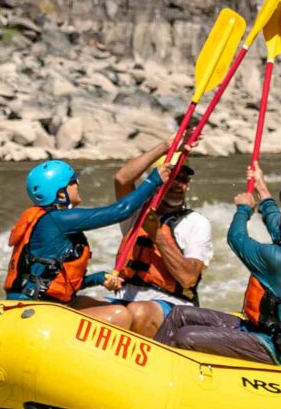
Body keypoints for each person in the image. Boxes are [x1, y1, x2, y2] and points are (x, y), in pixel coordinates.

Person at [153, 165, 281, 364]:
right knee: (179, 314)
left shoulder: (277, 258)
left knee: (186, 336)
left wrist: (243, 209)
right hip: (257, 330)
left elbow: (236, 238)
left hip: (274, 348)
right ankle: (152, 365)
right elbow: (274, 219)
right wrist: (260, 185)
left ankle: (165, 375)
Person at [90, 138, 214, 334]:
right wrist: (166, 145)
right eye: (173, 177)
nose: (178, 185)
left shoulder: (197, 223)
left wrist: (156, 233)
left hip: (173, 305)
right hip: (126, 298)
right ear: (159, 179)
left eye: (184, 179)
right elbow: (122, 179)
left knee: (138, 312)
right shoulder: (136, 212)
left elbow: (189, 278)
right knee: (80, 304)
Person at [4, 159, 162, 306]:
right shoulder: (58, 220)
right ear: (60, 193)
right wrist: (154, 180)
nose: (77, 183)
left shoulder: (47, 221)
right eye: (72, 181)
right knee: (119, 312)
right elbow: (120, 211)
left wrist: (98, 278)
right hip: (38, 305)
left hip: (31, 302)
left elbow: (54, 279)